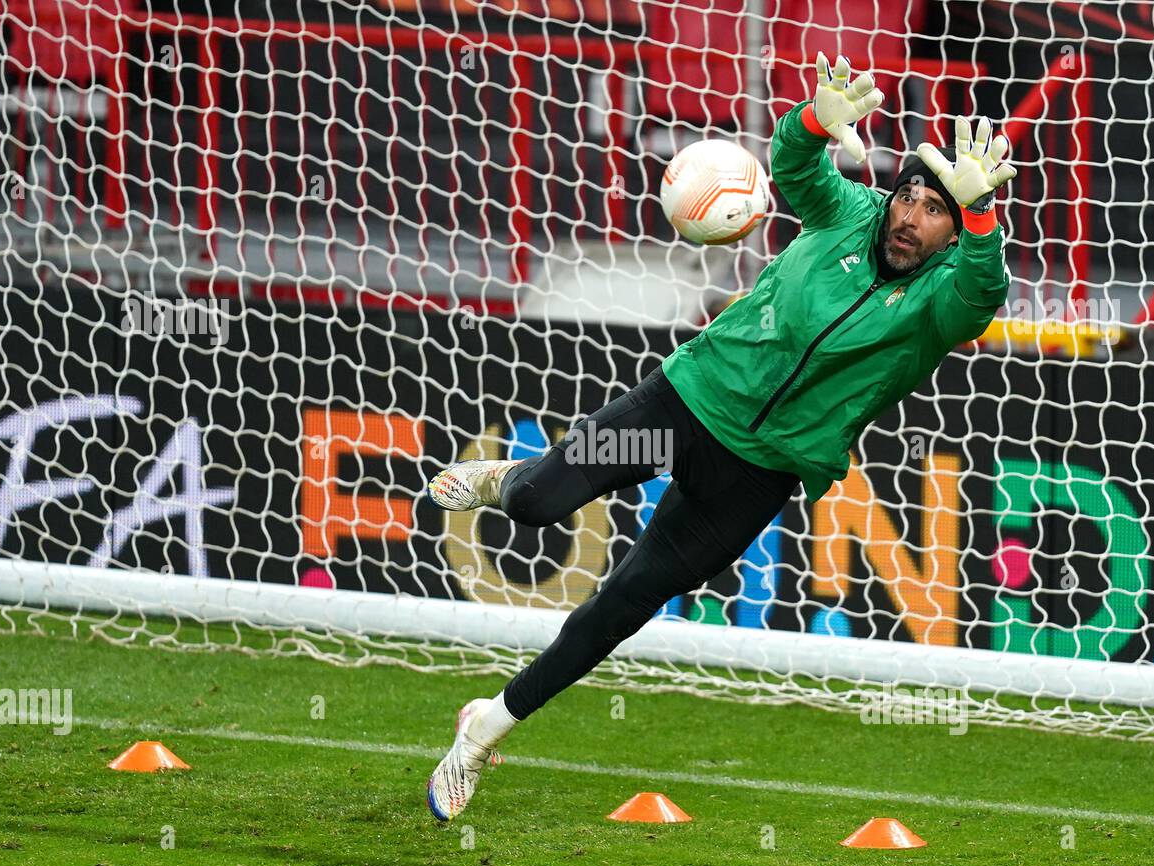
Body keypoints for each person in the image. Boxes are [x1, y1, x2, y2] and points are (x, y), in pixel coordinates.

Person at [423, 53, 1016, 820]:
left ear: (949, 230)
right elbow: (794, 165)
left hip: (757, 472)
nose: (910, 217)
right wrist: (813, 118)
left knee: (624, 605)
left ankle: (483, 730)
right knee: (537, 502)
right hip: (686, 404)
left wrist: (982, 219)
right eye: (909, 197)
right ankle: (511, 479)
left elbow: (983, 290)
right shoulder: (849, 211)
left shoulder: (940, 299)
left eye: (936, 211)